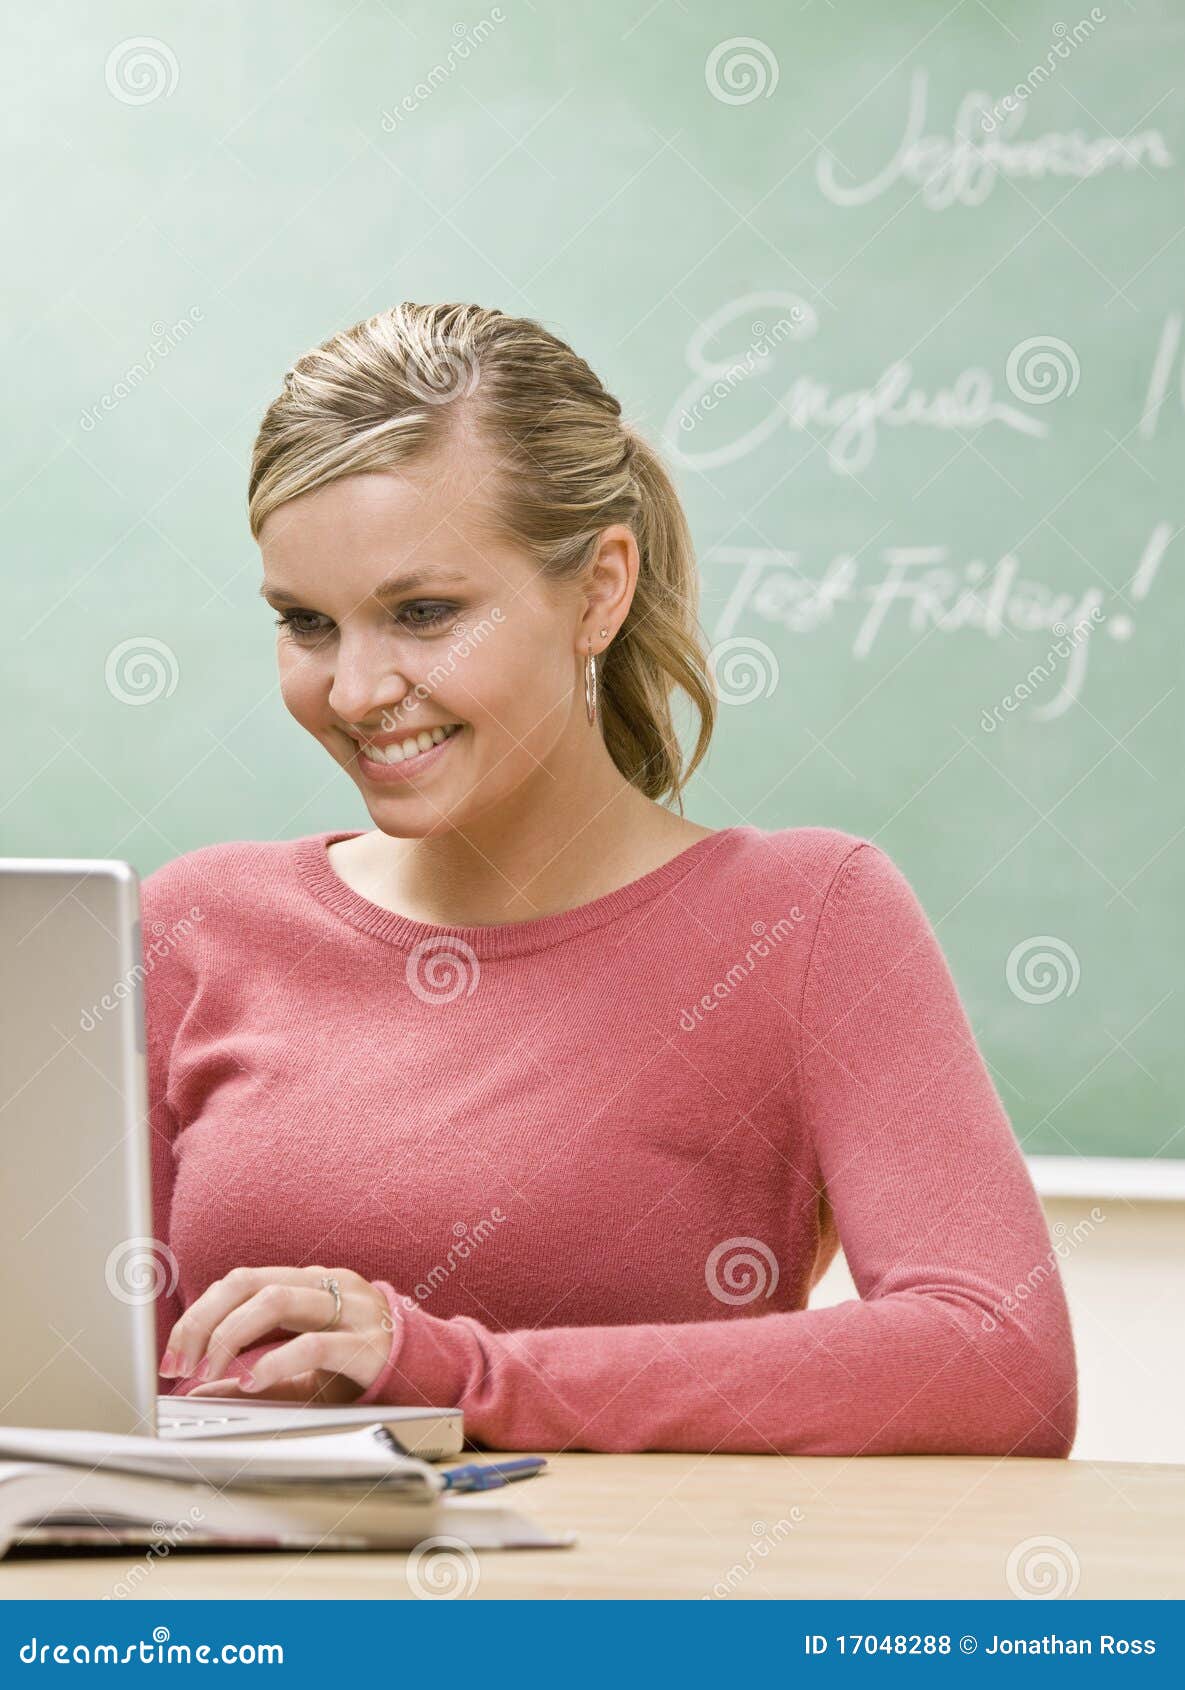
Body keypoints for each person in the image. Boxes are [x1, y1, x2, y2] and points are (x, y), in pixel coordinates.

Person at [145, 302, 1076, 1455]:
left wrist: (451, 1370)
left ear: (599, 590)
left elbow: (997, 1359)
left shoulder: (805, 917)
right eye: (307, 623)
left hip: (625, 1623)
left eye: (424, 613)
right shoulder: (192, 927)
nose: (354, 691)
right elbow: (72, 1384)